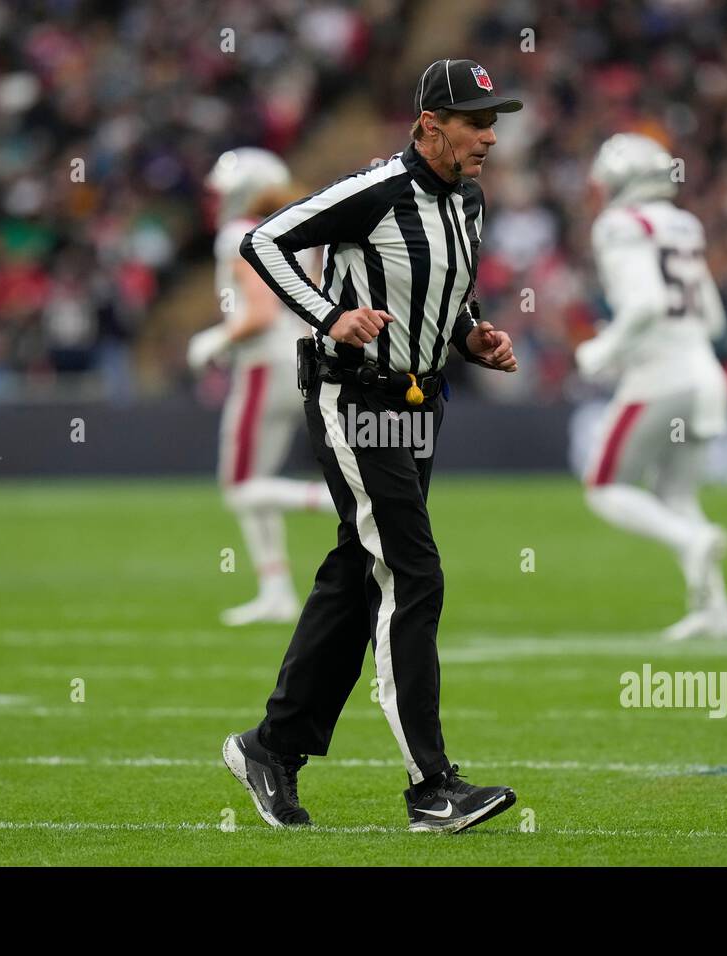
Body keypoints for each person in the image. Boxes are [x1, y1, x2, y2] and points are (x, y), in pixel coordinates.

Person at [222, 59, 521, 833]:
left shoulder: (469, 199)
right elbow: (266, 240)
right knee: (413, 572)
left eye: (493, 121)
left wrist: (471, 335)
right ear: (429, 125)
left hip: (423, 400)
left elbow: (448, 287)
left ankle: (272, 745)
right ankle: (432, 786)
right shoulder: (374, 190)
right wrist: (329, 315)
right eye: (475, 122)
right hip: (354, 399)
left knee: (360, 570)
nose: (489, 136)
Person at [575, 133, 727, 641]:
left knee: (603, 488)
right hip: (706, 375)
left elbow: (644, 304)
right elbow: (713, 317)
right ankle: (716, 610)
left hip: (661, 377)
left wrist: (603, 351)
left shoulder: (620, 226)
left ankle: (692, 542)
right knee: (676, 494)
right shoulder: (683, 224)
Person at [188, 149, 331, 626]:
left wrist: (216, 338)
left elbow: (259, 313)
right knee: (258, 482)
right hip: (302, 362)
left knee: (240, 488)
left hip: (262, 366)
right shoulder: (299, 233)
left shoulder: (240, 235)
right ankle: (275, 588)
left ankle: (332, 499)